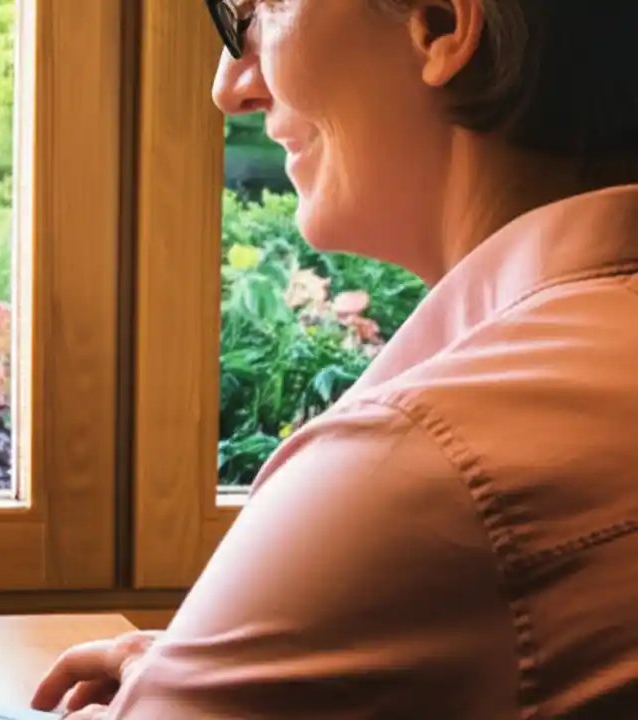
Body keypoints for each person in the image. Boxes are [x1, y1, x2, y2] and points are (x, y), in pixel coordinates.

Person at [33, 0, 638, 717]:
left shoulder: (418, 471)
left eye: (262, 8)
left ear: (441, 23)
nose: (230, 87)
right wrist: (225, 662)